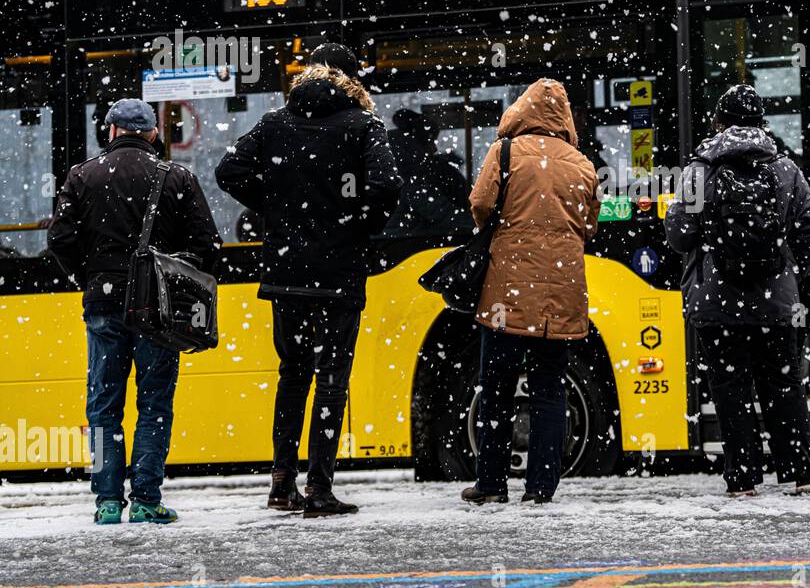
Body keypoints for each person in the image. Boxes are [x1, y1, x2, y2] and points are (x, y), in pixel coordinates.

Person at [216, 43, 402, 517]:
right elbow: (386, 187)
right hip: (339, 274)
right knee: (332, 380)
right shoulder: (363, 125)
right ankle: (319, 489)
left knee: (292, 374)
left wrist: (276, 209)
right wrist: (357, 224)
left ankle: (281, 483)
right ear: (352, 79)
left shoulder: (276, 123)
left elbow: (228, 170)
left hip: (285, 272)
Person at [47, 98, 222, 525]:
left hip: (102, 301)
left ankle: (107, 502)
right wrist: (173, 275)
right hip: (157, 310)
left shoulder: (81, 176)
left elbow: (60, 241)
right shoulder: (176, 177)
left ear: (110, 131)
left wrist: (88, 277)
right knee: (155, 402)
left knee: (103, 404)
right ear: (153, 134)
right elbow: (208, 246)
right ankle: (146, 498)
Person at [665, 84, 810, 497]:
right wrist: (790, 273)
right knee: (782, 384)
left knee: (730, 388)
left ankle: (743, 477)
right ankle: (801, 470)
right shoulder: (785, 169)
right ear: (762, 122)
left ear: (719, 121)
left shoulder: (698, 170)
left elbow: (678, 234)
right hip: (775, 303)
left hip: (715, 302)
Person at [460, 78, 600, 506]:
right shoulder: (582, 165)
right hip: (562, 293)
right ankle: (541, 487)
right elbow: (589, 227)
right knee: (549, 390)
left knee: (497, 387)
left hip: (506, 293)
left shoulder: (504, 153)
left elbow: (481, 205)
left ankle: (491, 483)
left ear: (522, 110)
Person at [384, 107, 473, 240]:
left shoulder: (396, 162)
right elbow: (440, 211)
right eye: (430, 141)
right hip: (399, 245)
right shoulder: (409, 176)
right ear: (416, 144)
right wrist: (477, 225)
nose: (435, 148)